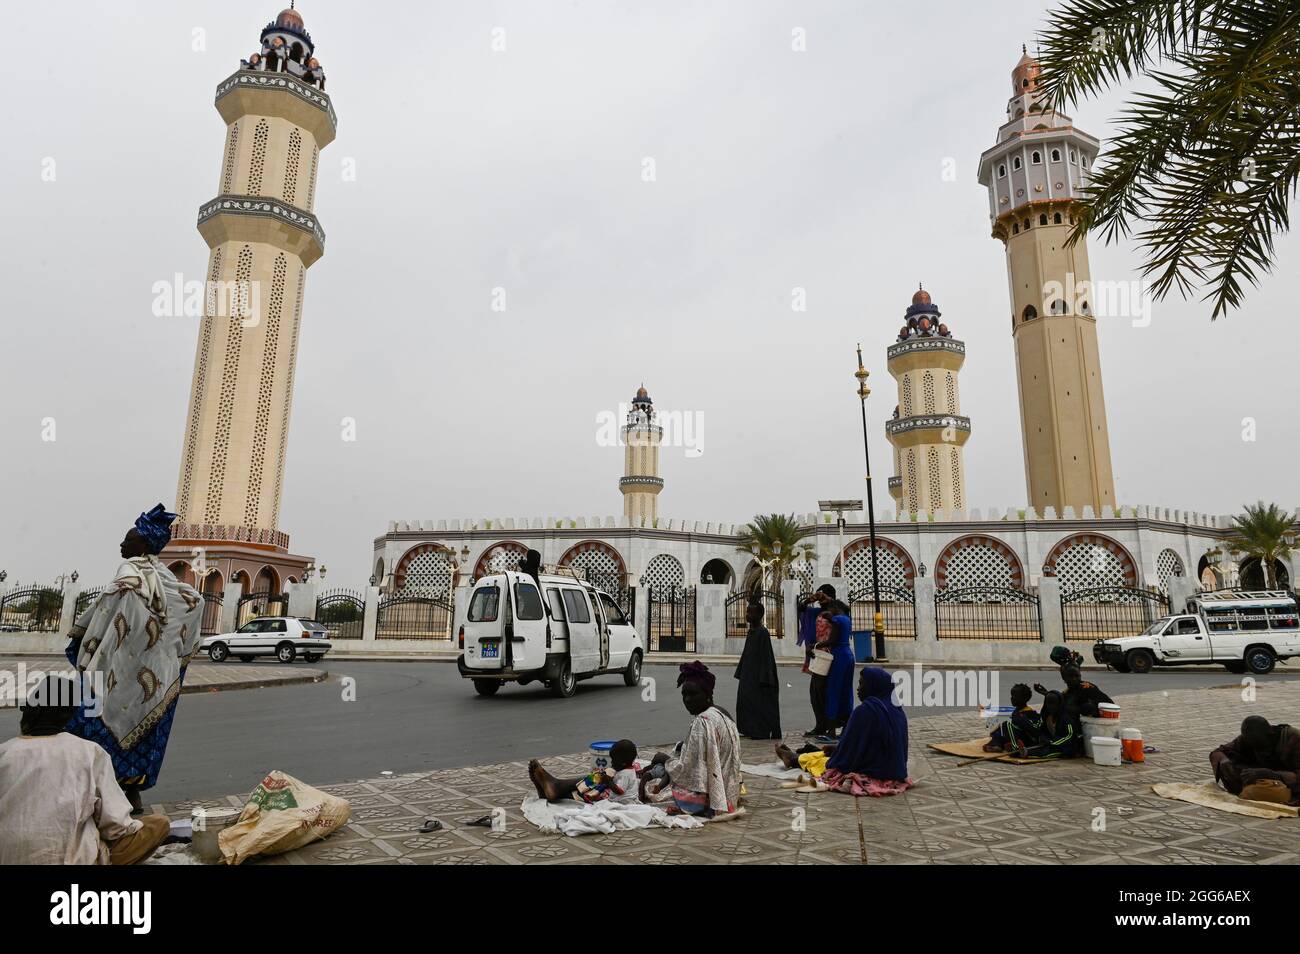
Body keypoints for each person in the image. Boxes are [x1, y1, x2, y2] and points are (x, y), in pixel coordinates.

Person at [64, 505, 205, 813]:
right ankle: (131, 796)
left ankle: (97, 798)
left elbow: (104, 616)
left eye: (128, 539)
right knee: (141, 737)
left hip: (112, 672)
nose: (122, 544)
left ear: (143, 544)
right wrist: (168, 654)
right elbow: (195, 602)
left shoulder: (129, 574)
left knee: (92, 728)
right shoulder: (165, 577)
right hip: (154, 678)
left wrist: (86, 642)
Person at [0, 676, 171, 864]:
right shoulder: (90, 752)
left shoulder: (4, 752)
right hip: (75, 860)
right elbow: (117, 826)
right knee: (158, 824)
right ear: (69, 715)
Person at [782, 667, 913, 797]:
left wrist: (836, 756)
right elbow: (871, 744)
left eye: (862, 684)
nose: (858, 689)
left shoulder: (866, 710)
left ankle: (796, 759)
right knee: (830, 753)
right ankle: (807, 753)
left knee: (826, 763)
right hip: (896, 772)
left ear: (873, 687)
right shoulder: (897, 710)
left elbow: (847, 759)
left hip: (875, 772)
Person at [641, 662, 742, 817]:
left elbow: (690, 770)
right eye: (684, 695)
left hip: (714, 800)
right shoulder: (721, 712)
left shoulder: (702, 721)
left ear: (707, 694)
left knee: (673, 772)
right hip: (731, 791)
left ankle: (701, 806)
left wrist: (665, 760)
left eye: (693, 694)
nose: (687, 700)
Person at [1210, 717, 1300, 804]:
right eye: (1254, 746)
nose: (1259, 750)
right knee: (1227, 765)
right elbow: (1219, 752)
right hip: (1261, 779)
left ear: (1270, 734)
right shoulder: (1247, 738)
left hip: (1286, 781)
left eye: (1261, 745)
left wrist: (1271, 774)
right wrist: (1224, 761)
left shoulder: (1294, 739)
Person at [527, 739, 641, 805]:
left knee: (584, 792)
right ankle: (552, 788)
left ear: (623, 763)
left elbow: (620, 791)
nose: (611, 763)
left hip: (616, 801)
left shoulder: (626, 774)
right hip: (614, 795)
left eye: (614, 761)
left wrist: (608, 781)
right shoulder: (626, 769)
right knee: (592, 780)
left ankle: (555, 788)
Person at [734, 601, 781, 739]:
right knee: (746, 701)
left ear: (760, 615)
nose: (747, 615)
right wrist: (741, 671)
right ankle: (748, 728)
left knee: (759, 703)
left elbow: (766, 657)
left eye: (751, 612)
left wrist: (765, 677)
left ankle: (761, 731)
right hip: (748, 672)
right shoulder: (751, 632)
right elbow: (746, 653)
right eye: (747, 611)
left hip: (759, 675)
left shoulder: (763, 633)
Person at [820, 603, 856, 742]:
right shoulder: (847, 618)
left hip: (839, 656)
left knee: (833, 691)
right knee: (846, 692)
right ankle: (846, 728)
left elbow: (832, 640)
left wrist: (816, 645)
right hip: (848, 656)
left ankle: (831, 731)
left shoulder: (837, 620)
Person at [1019, 691, 1081, 759]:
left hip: (1065, 747)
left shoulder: (1067, 719)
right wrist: (1043, 738)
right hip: (1050, 743)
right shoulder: (1046, 717)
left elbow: (1069, 736)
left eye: (1054, 704)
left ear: (1060, 704)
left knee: (1048, 752)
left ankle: (1027, 753)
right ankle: (1022, 751)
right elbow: (1041, 730)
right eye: (1048, 703)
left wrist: (1052, 742)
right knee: (1038, 746)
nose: (1050, 707)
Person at [1034, 664, 1112, 718]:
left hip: (1102, 716)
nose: (1074, 679)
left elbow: (1075, 708)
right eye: (1071, 676)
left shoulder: (1086, 687)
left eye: (1077, 676)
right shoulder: (1070, 690)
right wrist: (1046, 693)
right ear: (1064, 679)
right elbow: (1061, 699)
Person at [984, 683, 1042, 754]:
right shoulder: (1017, 711)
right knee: (998, 733)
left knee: (1006, 725)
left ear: (1024, 699)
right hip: (1016, 736)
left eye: (1014, 696)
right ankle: (997, 745)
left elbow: (1031, 729)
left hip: (1025, 739)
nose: (1011, 698)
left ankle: (1015, 748)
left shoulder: (1028, 713)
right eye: (1011, 696)